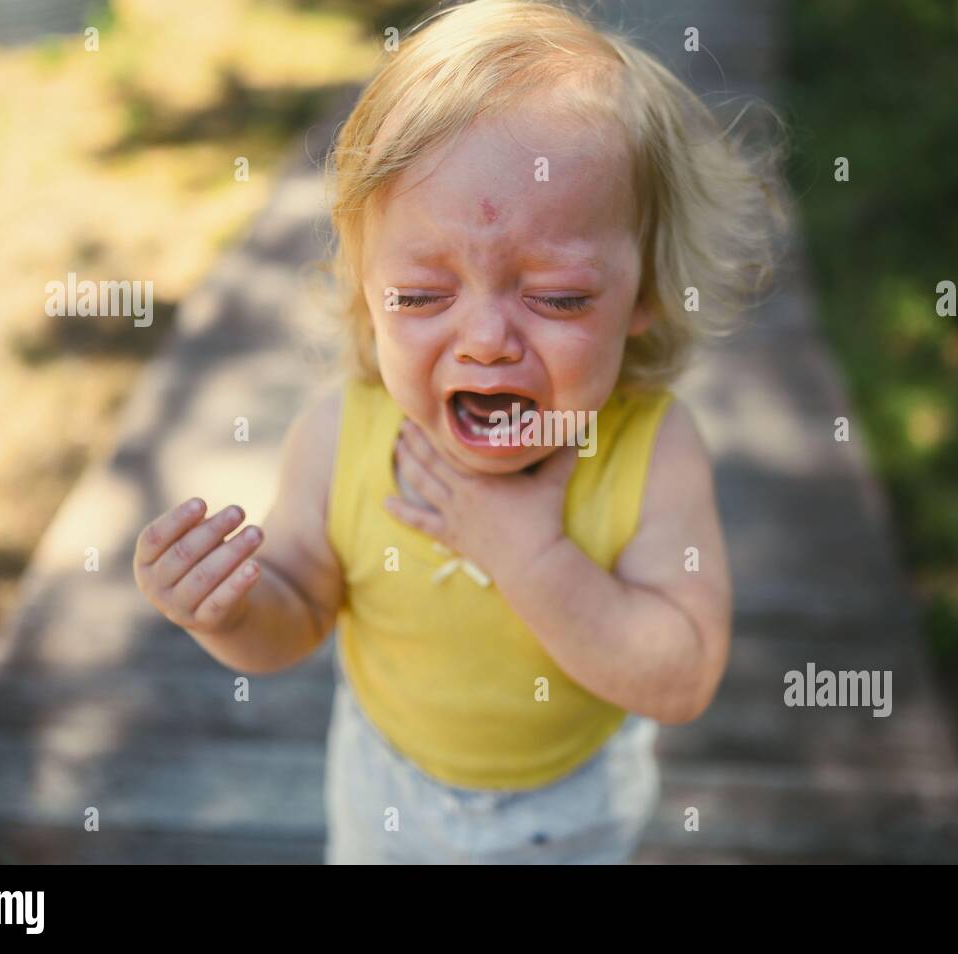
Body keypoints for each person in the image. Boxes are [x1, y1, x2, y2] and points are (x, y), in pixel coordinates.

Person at [133, 0, 781, 863]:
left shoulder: (651, 449)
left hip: (573, 806)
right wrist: (228, 610)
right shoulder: (341, 439)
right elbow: (293, 614)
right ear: (366, 291)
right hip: (386, 791)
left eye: (556, 297)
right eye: (422, 296)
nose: (484, 340)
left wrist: (529, 555)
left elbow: (683, 675)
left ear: (647, 293)